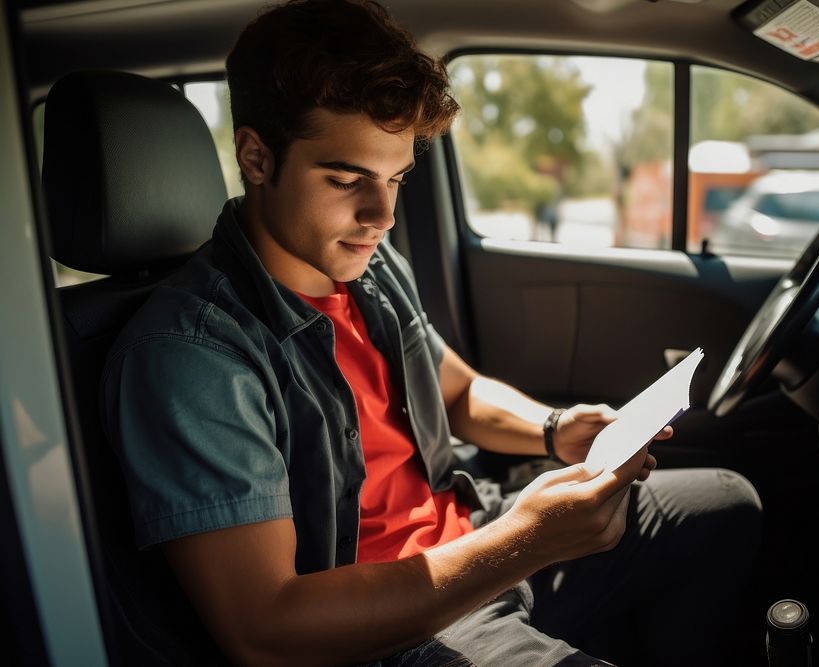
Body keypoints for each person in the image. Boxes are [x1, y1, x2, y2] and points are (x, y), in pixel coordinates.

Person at [101, 1, 762, 665]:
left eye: (394, 178)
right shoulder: (191, 354)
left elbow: (457, 393)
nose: (382, 215)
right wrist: (527, 541)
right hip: (389, 629)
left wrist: (554, 428)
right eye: (346, 179)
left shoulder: (368, 265)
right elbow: (267, 629)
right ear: (255, 157)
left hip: (472, 527)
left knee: (727, 507)